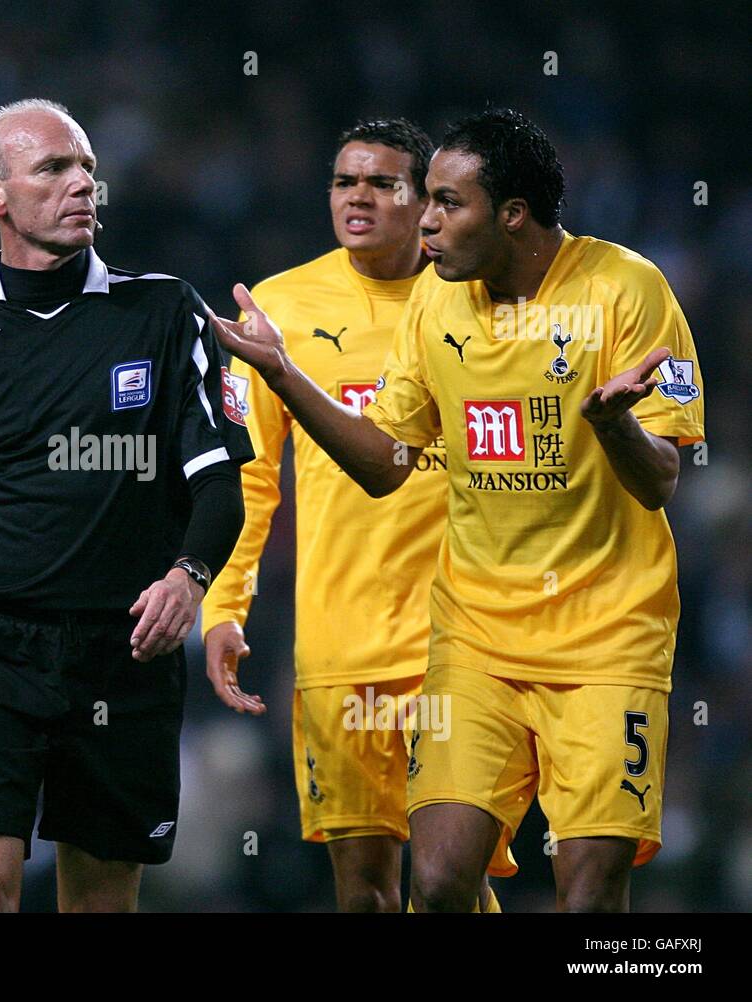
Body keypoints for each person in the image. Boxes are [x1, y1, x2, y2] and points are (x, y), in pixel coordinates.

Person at [209, 109, 704, 912]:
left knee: (588, 891)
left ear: (511, 214)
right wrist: (286, 375)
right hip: (473, 640)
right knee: (437, 880)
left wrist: (612, 424)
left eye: (445, 203)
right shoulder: (436, 308)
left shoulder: (626, 289)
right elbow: (384, 465)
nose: (426, 222)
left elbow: (661, 482)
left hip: (607, 636)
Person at [0, 99, 252, 912]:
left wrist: (188, 576)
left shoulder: (164, 311)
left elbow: (218, 482)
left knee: (100, 907)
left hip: (125, 650)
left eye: (88, 170)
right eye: (54, 169)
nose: (83, 185)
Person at [202, 119, 498, 912]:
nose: (357, 197)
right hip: (341, 644)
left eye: (381, 183)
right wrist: (224, 608)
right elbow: (249, 477)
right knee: (364, 890)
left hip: (463, 641)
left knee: (447, 879)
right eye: (343, 181)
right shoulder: (281, 307)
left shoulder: (475, 297)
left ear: (425, 200)